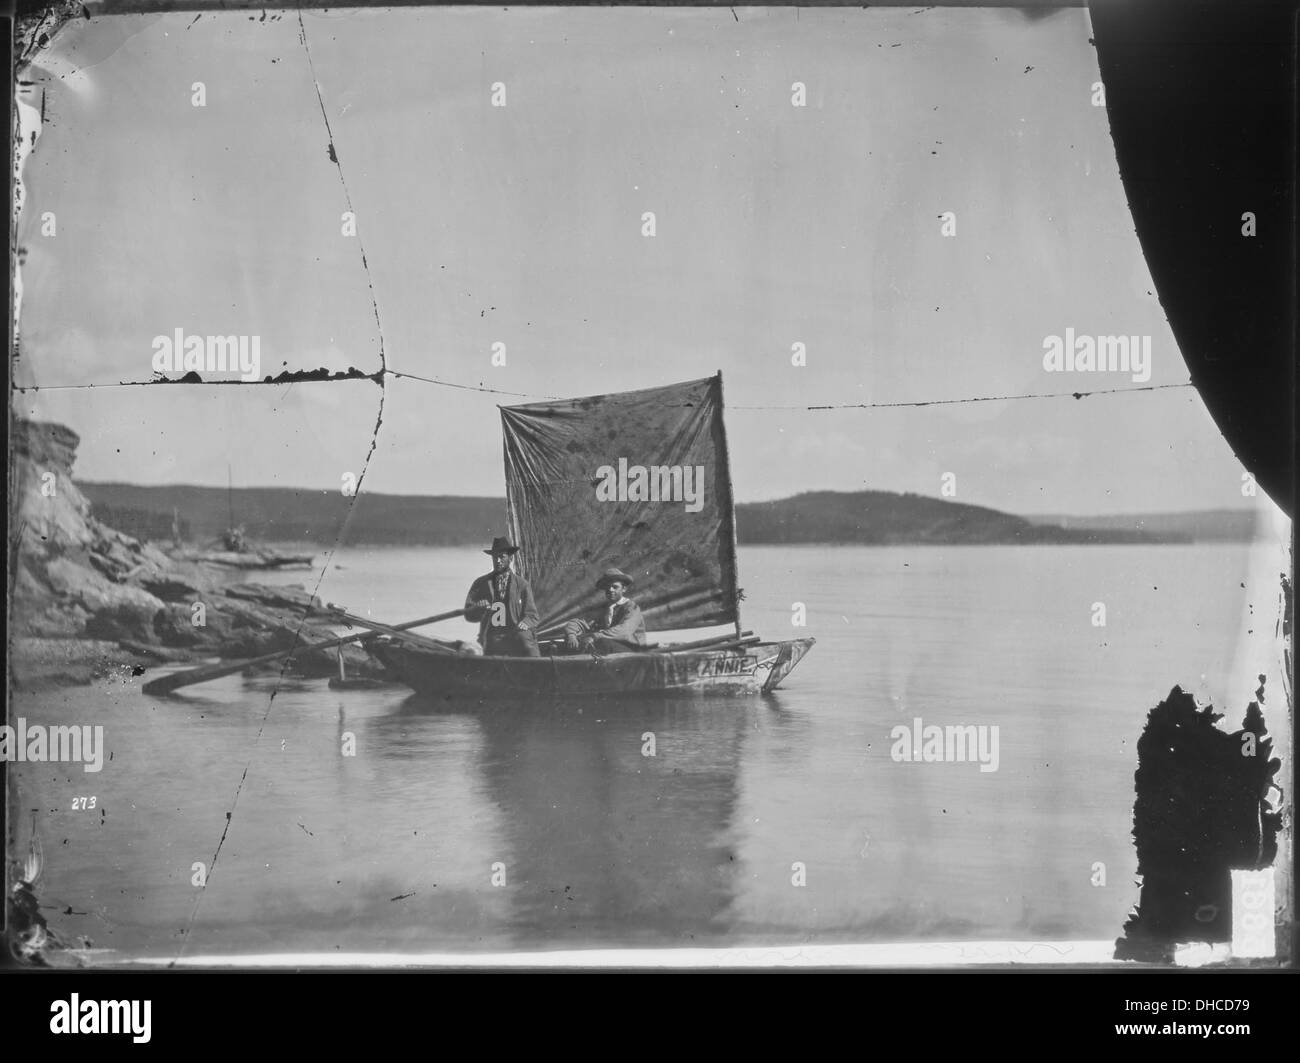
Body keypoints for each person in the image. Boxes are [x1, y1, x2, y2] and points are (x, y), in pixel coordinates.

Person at [464, 536, 541, 657]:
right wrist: (477, 608)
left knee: (526, 642)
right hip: (493, 637)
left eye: (502, 557)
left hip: (516, 636)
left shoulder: (522, 585)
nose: (498, 561)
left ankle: (536, 667)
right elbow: (468, 615)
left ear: (510, 558)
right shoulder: (481, 583)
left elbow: (533, 616)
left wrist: (525, 623)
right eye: (495, 557)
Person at [564, 568, 647, 654]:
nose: (610, 590)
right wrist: (571, 635)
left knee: (602, 643)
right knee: (574, 643)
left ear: (624, 589)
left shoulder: (632, 607)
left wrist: (595, 636)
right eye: (607, 587)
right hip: (610, 647)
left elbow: (624, 631)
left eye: (615, 587)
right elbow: (578, 622)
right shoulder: (604, 609)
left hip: (633, 649)